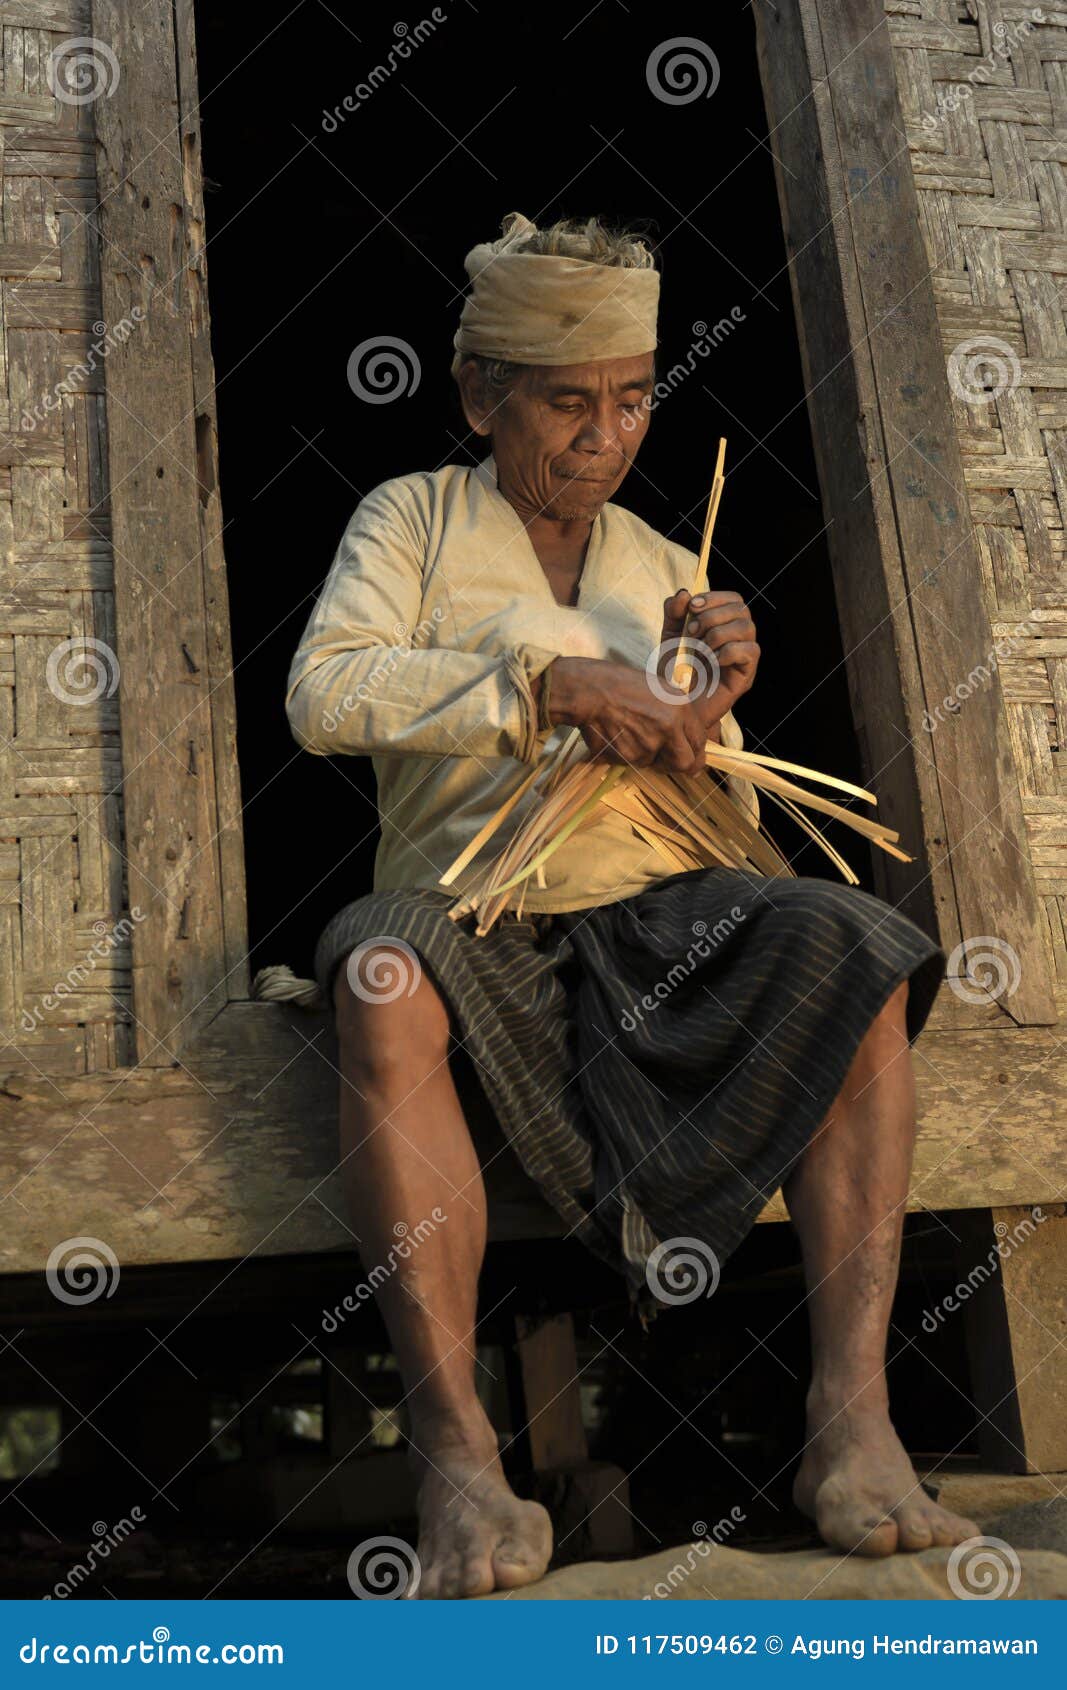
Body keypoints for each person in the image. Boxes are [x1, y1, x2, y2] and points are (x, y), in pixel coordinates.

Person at [285, 212, 978, 1598]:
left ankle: (850, 1421)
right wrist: (535, 686)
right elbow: (323, 694)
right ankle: (459, 1453)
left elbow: (699, 779)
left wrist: (705, 710)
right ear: (480, 393)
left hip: (658, 910)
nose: (602, 437)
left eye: (630, 401)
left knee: (856, 944)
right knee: (374, 971)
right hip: (471, 912)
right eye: (565, 403)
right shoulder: (410, 519)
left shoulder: (665, 560)